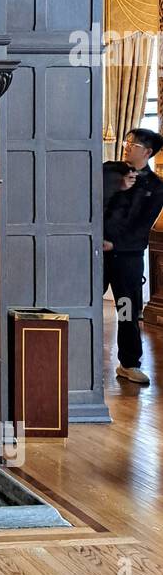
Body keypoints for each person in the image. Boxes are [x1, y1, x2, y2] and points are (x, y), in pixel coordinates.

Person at [103, 126, 163, 385]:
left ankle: (129, 363)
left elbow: (141, 224)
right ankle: (77, 358)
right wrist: (117, 186)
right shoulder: (109, 170)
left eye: (133, 145)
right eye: (127, 143)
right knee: (86, 305)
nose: (126, 147)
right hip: (95, 253)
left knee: (127, 309)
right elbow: (88, 198)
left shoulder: (156, 187)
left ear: (148, 152)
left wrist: (114, 244)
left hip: (127, 258)